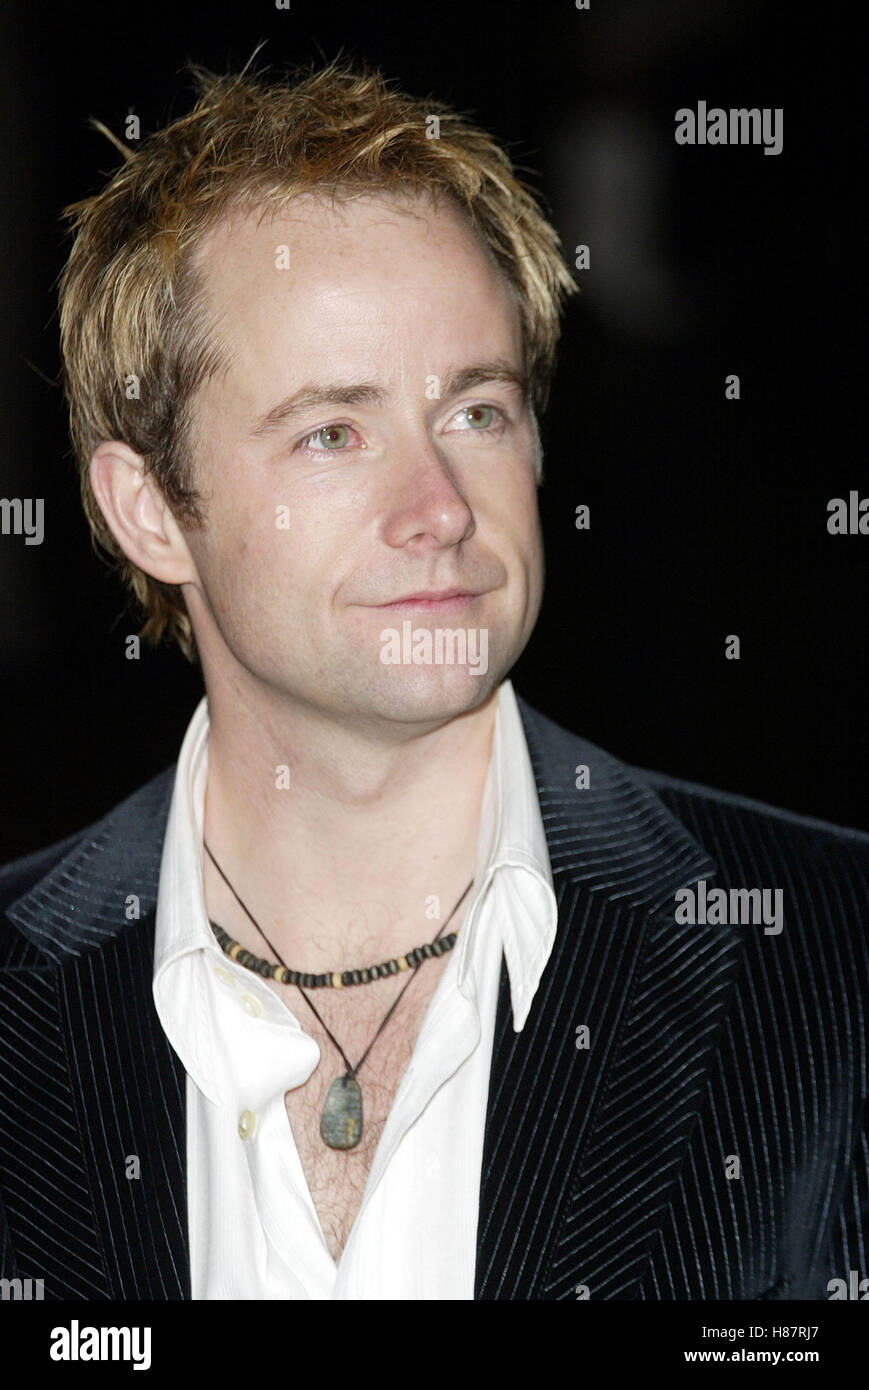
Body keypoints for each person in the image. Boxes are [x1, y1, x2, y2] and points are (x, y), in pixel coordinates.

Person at [0, 58, 865, 1302]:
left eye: (475, 412)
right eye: (332, 432)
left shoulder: (829, 954)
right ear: (151, 511)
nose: (441, 509)